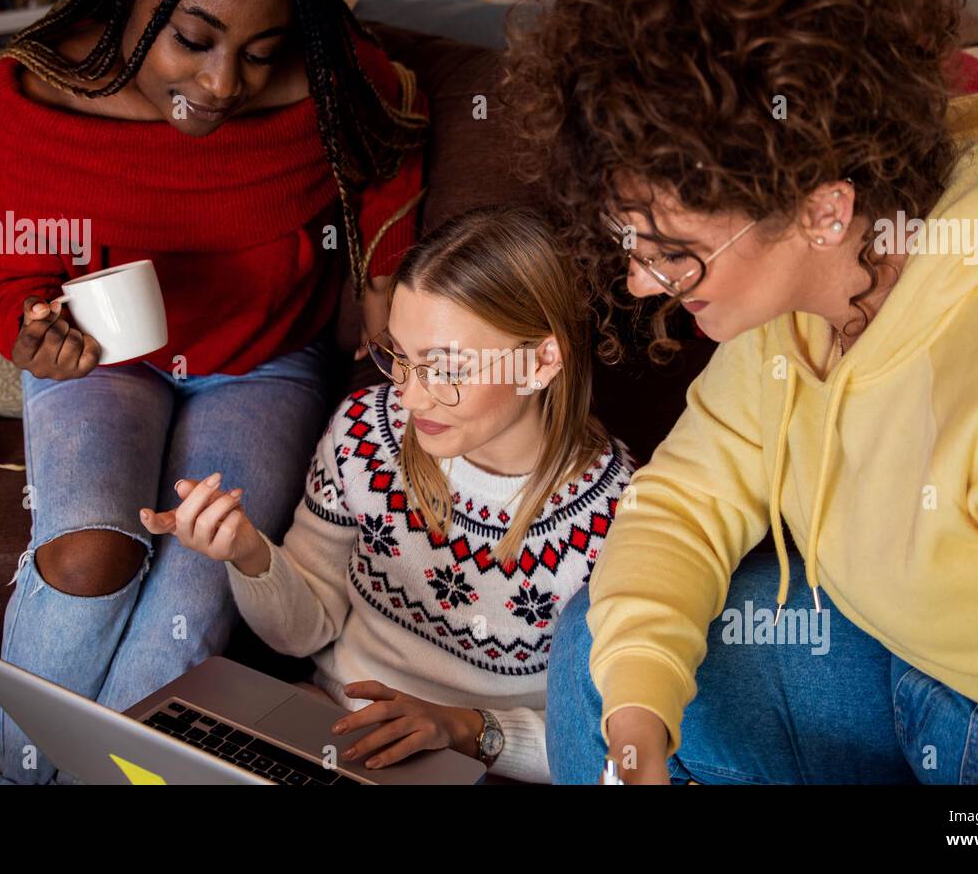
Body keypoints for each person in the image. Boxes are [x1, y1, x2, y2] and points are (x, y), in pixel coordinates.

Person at [503, 0, 978, 784]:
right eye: (636, 247)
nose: (641, 283)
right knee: (604, 655)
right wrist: (637, 722)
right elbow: (688, 499)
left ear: (822, 208)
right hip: (901, 658)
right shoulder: (815, 288)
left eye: (676, 254)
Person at [0, 0, 427, 784]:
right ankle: (15, 775)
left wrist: (384, 270)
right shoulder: (34, 94)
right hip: (107, 357)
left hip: (265, 365)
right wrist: (32, 332)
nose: (224, 84)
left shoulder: (327, 83)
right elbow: (17, 275)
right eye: (193, 39)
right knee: (87, 557)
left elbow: (394, 123)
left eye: (261, 51)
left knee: (194, 591)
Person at [140, 206, 636, 782]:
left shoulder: (619, 514)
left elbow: (609, 753)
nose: (410, 397)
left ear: (540, 363)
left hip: (477, 768)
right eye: (399, 356)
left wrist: (466, 729)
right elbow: (306, 632)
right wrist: (250, 556)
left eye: (445, 369)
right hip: (330, 728)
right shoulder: (366, 433)